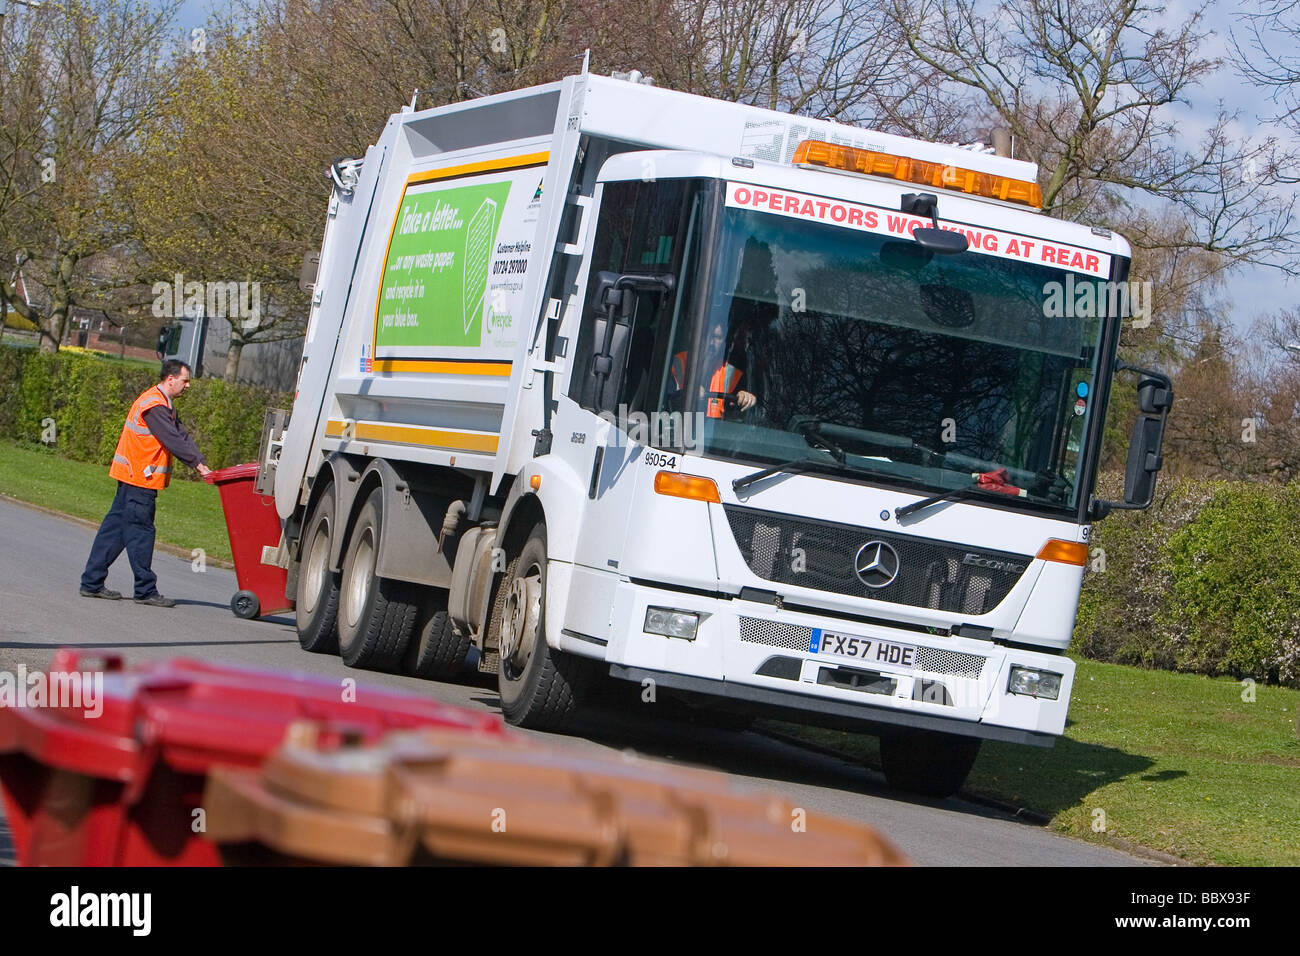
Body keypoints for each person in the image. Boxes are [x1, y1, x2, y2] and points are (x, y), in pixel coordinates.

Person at [79, 360, 212, 607]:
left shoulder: (162, 403)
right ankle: (145, 590)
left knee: (115, 531)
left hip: (133, 478)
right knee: (141, 533)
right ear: (170, 379)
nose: (188, 385)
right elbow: (172, 439)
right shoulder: (155, 406)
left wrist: (200, 463)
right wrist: (197, 464)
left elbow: (181, 435)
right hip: (141, 479)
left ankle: (92, 582)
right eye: (185, 380)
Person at [668, 321, 757, 419]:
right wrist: (686, 393)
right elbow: (664, 400)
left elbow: (737, 411)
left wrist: (746, 397)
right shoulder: (676, 364)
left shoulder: (729, 372)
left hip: (713, 431)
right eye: (707, 336)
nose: (711, 343)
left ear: (723, 343)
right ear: (696, 337)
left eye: (717, 337)